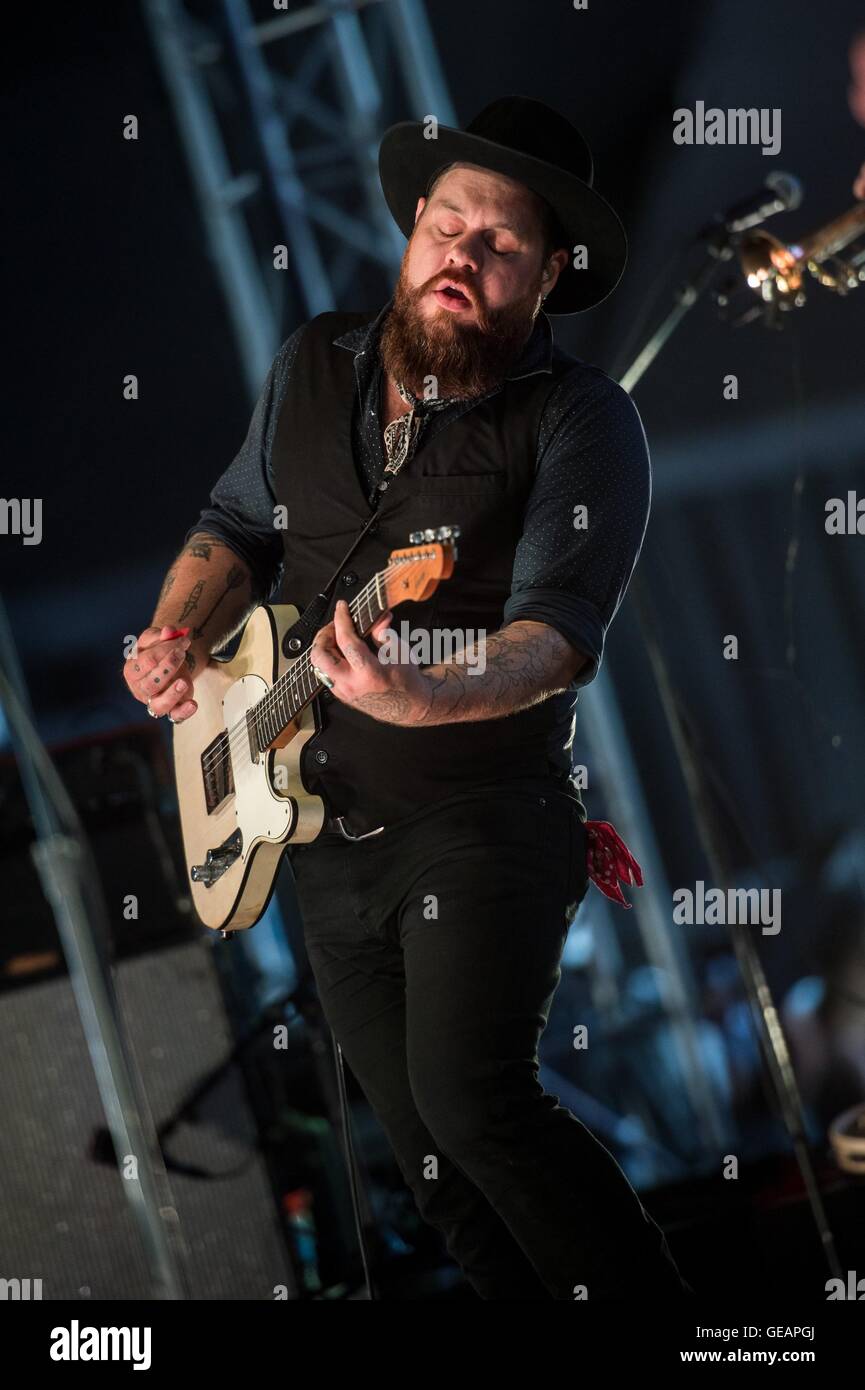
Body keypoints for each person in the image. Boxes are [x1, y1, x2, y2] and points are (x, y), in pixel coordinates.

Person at [123, 97, 691, 1300]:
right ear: (410, 231)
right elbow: (232, 528)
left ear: (544, 278)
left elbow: (554, 639)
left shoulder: (583, 422)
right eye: (446, 225)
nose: (461, 257)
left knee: (477, 1105)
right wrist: (179, 632)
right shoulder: (310, 366)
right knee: (436, 1178)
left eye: (498, 245)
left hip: (483, 819)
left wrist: (418, 695)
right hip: (322, 841)